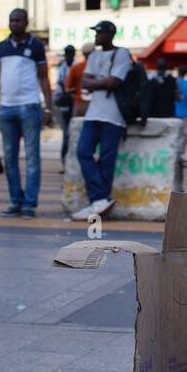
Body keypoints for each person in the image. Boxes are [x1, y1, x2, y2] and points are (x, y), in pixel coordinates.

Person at [0, 8, 53, 218]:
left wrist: (48, 107)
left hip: (30, 107)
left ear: (26, 22)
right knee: (10, 158)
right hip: (6, 108)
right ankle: (15, 200)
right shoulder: (1, 47)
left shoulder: (36, 46)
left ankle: (29, 204)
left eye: (18, 20)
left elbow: (44, 78)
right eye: (11, 20)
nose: (14, 23)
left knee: (32, 158)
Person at [71, 20, 132, 221]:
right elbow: (85, 83)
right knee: (83, 151)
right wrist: (102, 82)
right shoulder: (94, 55)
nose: (96, 36)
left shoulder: (122, 53)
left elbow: (116, 81)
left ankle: (99, 201)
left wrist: (96, 82)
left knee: (107, 160)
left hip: (114, 115)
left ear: (109, 34)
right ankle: (100, 199)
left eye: (99, 33)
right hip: (93, 112)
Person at [56, 44, 77, 163]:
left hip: (75, 104)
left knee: (74, 133)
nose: (69, 56)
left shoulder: (77, 66)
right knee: (66, 134)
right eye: (67, 53)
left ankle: (72, 161)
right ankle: (64, 160)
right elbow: (60, 85)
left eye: (70, 53)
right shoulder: (62, 67)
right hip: (65, 105)